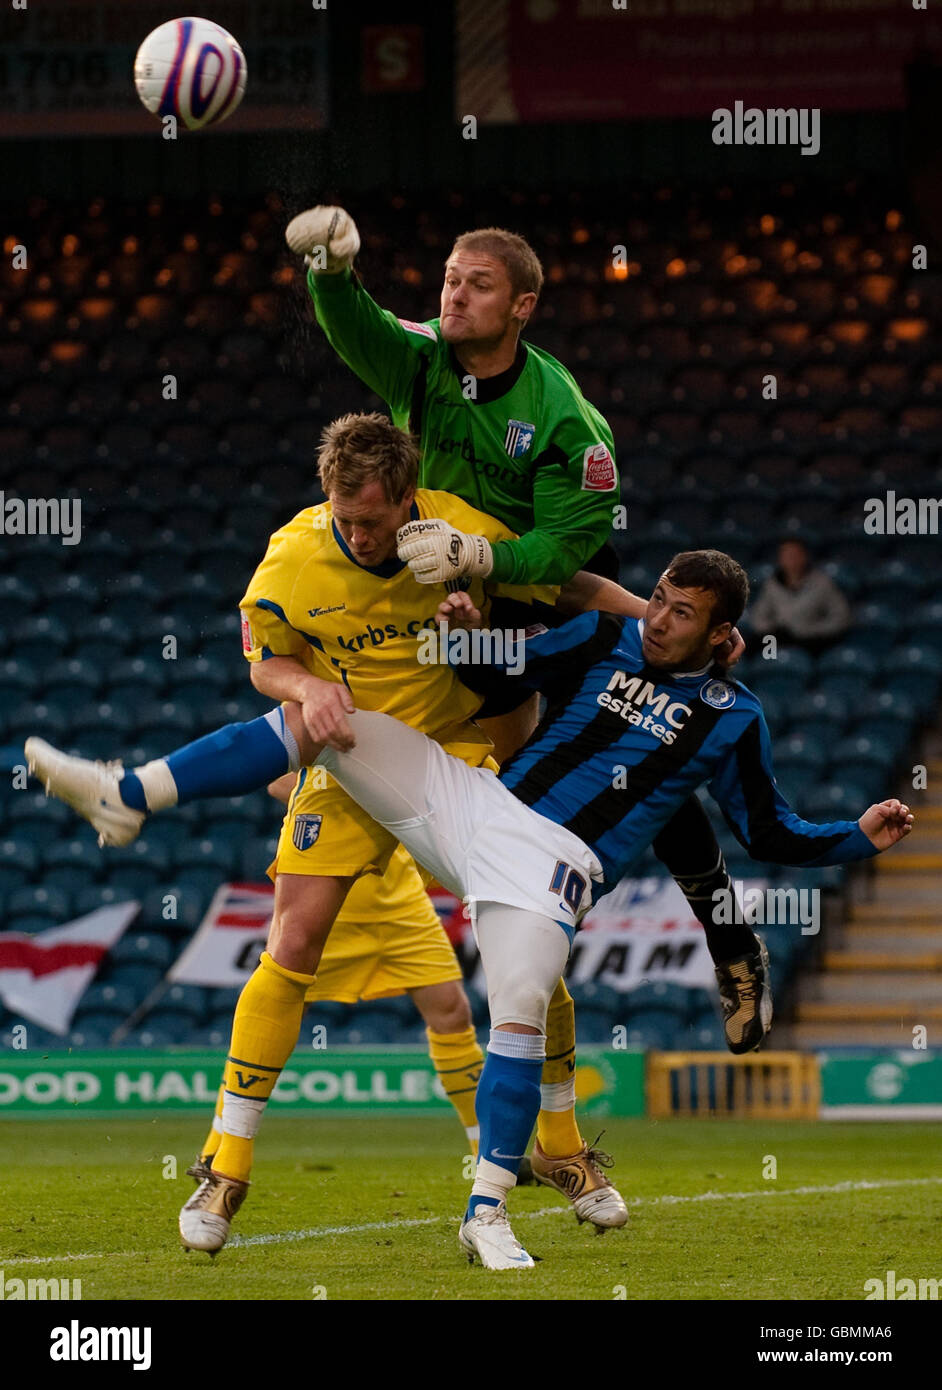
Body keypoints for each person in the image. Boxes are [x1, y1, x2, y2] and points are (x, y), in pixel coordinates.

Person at [28, 414, 649, 1253]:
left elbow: (565, 584)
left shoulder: (456, 530)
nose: (357, 535)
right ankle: (227, 1166)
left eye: (373, 519)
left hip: (463, 757)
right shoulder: (293, 554)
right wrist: (303, 685)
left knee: (531, 949)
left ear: (407, 499)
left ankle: (564, 1149)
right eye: (342, 516)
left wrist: (656, 622)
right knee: (293, 937)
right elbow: (264, 662)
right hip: (354, 755)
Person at [280, 549, 913, 1269]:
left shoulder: (732, 715)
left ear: (721, 632)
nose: (658, 619)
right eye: (659, 599)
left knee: (531, 991)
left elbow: (767, 831)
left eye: (682, 612)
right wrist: (461, 632)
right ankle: (147, 789)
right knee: (334, 728)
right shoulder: (599, 634)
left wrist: (856, 838)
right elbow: (499, 678)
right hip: (481, 818)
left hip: (550, 878)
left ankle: (502, 1194)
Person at [747, 536, 851, 656]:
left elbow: (841, 616)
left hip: (812, 641)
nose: (791, 559)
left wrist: (814, 630)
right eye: (786, 555)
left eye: (795, 555)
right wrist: (773, 629)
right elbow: (758, 616)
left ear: (804, 556)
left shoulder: (822, 583)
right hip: (780, 638)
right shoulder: (772, 585)